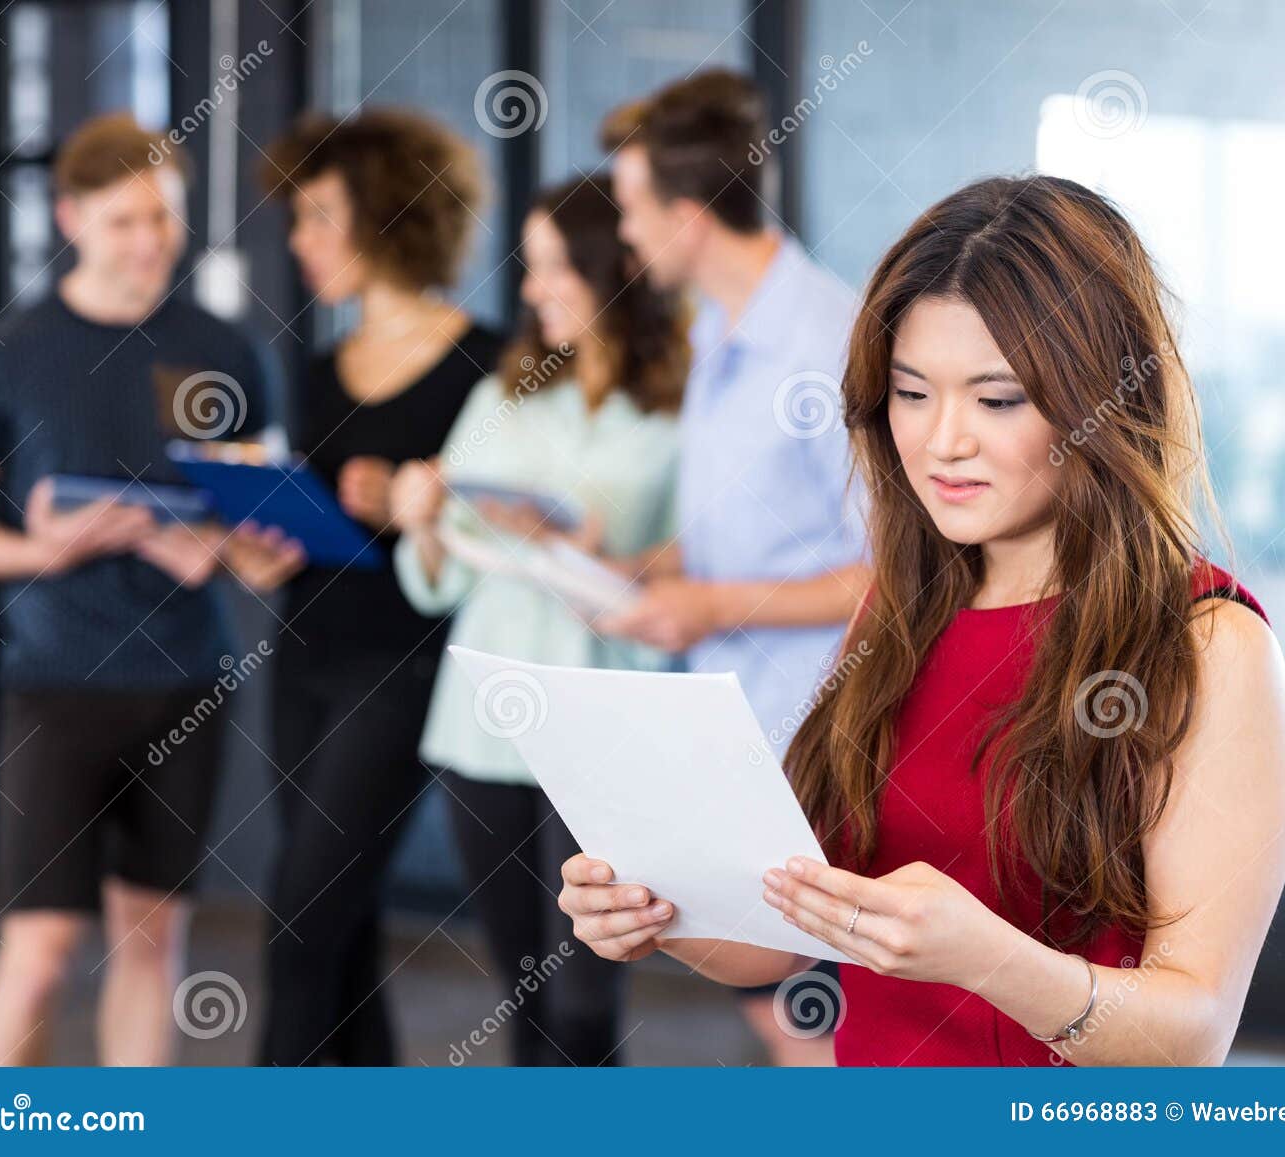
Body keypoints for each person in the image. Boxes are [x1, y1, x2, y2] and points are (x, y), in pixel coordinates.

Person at [558, 175, 1285, 1066]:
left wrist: (991, 958)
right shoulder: (898, 613)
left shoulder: (1209, 643)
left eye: (997, 400)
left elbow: (1191, 1034)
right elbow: (788, 931)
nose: (942, 440)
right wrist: (661, 914)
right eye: (912, 394)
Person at [0, 113, 303, 1067]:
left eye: (164, 219)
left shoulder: (227, 349)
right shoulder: (7, 353)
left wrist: (226, 544)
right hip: (58, 686)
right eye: (125, 220)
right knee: (41, 948)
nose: (149, 242)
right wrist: (46, 550)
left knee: (153, 942)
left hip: (186, 682)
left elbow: (265, 539)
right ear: (71, 218)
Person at [594, 69, 867, 1065]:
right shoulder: (713, 329)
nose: (624, 237)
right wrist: (648, 564)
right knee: (780, 1008)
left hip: (823, 737)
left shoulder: (824, 343)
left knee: (817, 1018)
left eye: (630, 212)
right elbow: (751, 530)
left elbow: (900, 578)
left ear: (688, 216)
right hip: (741, 724)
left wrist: (712, 602)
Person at [388, 174, 687, 1065]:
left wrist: (603, 550)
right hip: (487, 715)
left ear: (616, 268)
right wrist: (421, 519)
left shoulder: (684, 402)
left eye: (555, 265)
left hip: (610, 717)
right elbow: (430, 582)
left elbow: (713, 562)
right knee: (525, 996)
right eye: (531, 267)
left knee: (590, 995)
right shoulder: (504, 395)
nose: (531, 288)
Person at [253, 109, 504, 1066]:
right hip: (304, 651)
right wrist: (262, 539)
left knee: (298, 921)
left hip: (405, 667)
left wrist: (413, 506)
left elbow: (499, 533)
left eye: (319, 216)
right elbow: (306, 520)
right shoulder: (316, 371)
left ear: (389, 218)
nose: (300, 240)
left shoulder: (490, 364)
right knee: (340, 926)